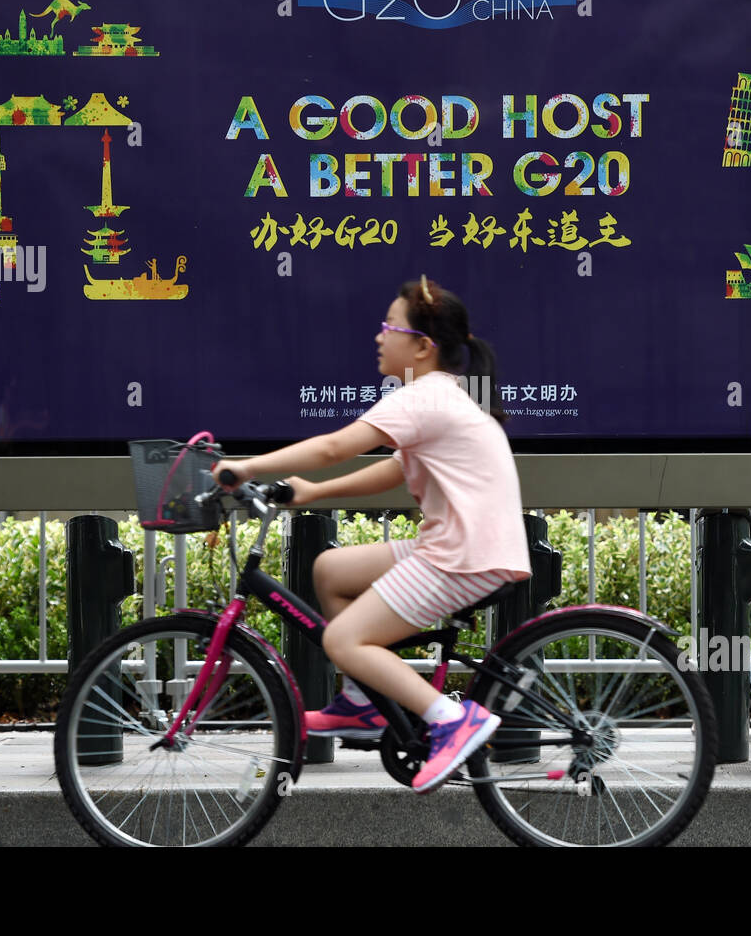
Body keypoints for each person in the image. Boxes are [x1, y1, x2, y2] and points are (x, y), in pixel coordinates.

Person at [213, 276, 530, 792]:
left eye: (390, 327)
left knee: (342, 638)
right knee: (331, 570)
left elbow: (333, 447)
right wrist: (313, 494)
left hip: (463, 553)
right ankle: (365, 702)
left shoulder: (424, 396)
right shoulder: (439, 396)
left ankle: (452, 719)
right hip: (461, 544)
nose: (380, 336)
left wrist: (246, 468)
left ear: (423, 347)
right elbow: (396, 470)